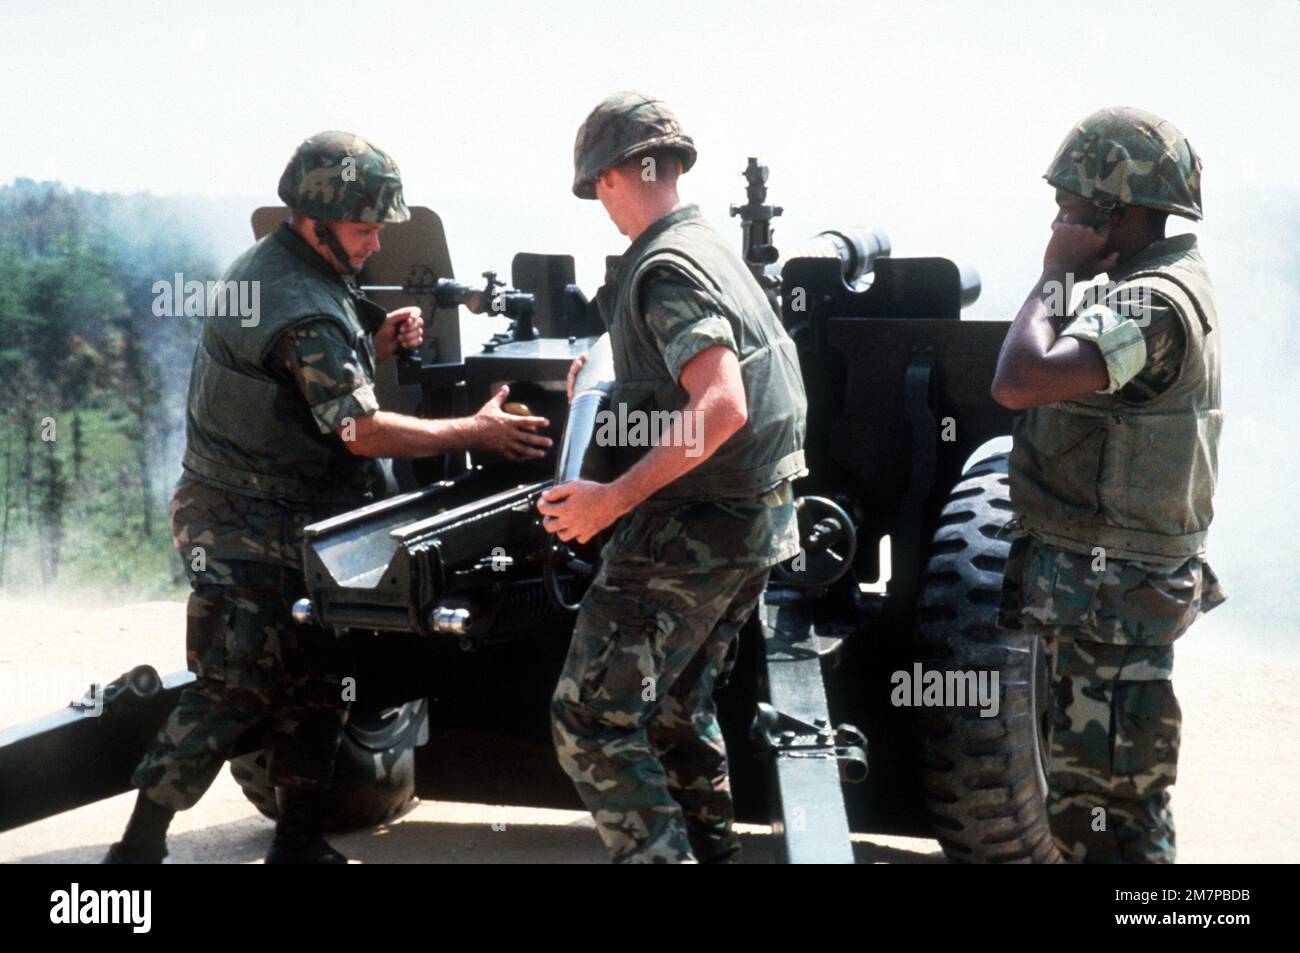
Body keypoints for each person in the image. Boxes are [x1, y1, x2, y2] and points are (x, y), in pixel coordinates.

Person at [106, 130, 552, 864]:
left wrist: (378, 341)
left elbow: (306, 374)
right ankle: (137, 850)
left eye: (379, 226)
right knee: (236, 687)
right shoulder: (297, 299)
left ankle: (299, 839)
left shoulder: (293, 266)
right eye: (363, 227)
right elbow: (358, 429)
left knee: (317, 681)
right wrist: (475, 429)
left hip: (297, 521)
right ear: (313, 219)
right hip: (244, 524)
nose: (376, 243)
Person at [539, 92, 807, 863]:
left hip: (695, 529)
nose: (600, 203)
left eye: (596, 189)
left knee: (589, 717)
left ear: (612, 175)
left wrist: (607, 501)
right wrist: (613, 374)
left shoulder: (660, 266)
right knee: (675, 707)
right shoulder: (705, 246)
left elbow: (721, 404)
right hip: (756, 524)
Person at [991, 107, 1225, 863]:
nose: (1060, 219)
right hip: (1106, 601)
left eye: (1071, 207)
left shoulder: (1149, 302)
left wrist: (1055, 273)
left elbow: (1022, 379)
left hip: (1114, 605)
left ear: (1113, 212)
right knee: (1091, 812)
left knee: (1113, 818)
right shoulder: (1148, 282)